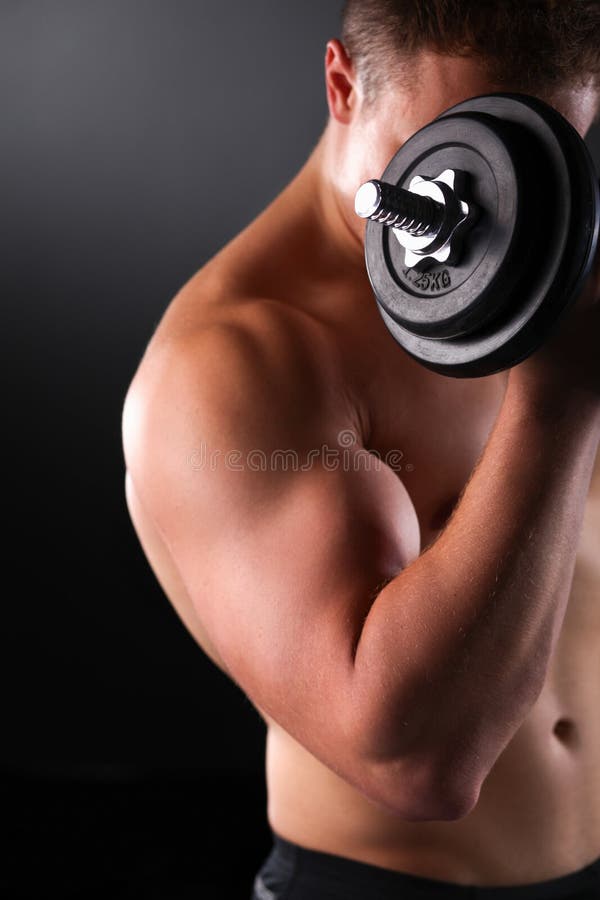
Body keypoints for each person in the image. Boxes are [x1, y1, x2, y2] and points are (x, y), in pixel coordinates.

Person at [121, 1, 600, 897]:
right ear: (344, 85)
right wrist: (557, 398)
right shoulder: (237, 361)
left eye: (539, 152)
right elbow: (418, 766)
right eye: (461, 148)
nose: (502, 209)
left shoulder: (559, 264)